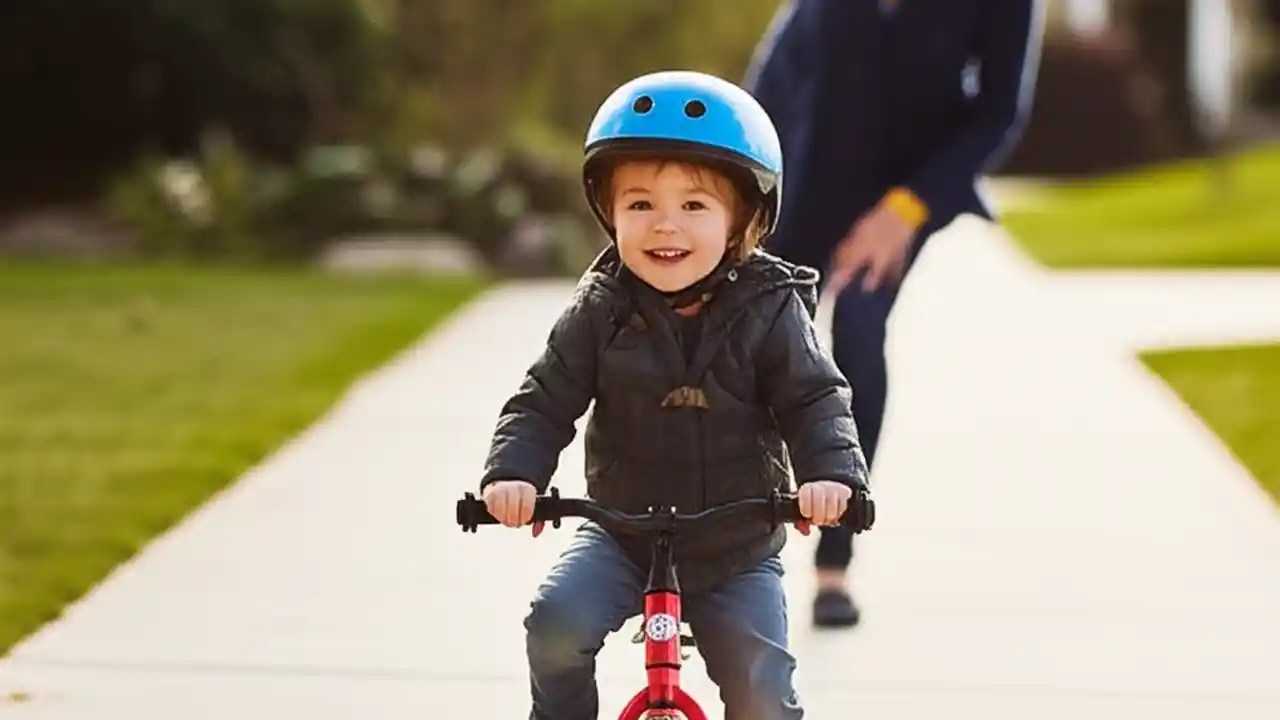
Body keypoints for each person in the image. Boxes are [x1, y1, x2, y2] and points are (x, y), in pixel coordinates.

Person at [478, 70, 871, 720]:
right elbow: (544, 400)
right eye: (639, 205)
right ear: (609, 214)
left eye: (693, 206)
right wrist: (515, 474)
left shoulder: (771, 312)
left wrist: (830, 477)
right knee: (554, 625)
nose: (665, 227)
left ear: (743, 219)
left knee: (763, 692)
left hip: (735, 547)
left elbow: (815, 401)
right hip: (620, 534)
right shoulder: (599, 311)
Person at [744, 0, 1045, 628]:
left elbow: (997, 116)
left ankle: (835, 560)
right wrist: (742, 193)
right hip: (798, 183)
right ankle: (730, 548)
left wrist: (904, 212)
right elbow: (776, 74)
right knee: (756, 349)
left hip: (898, 198)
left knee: (857, 327)